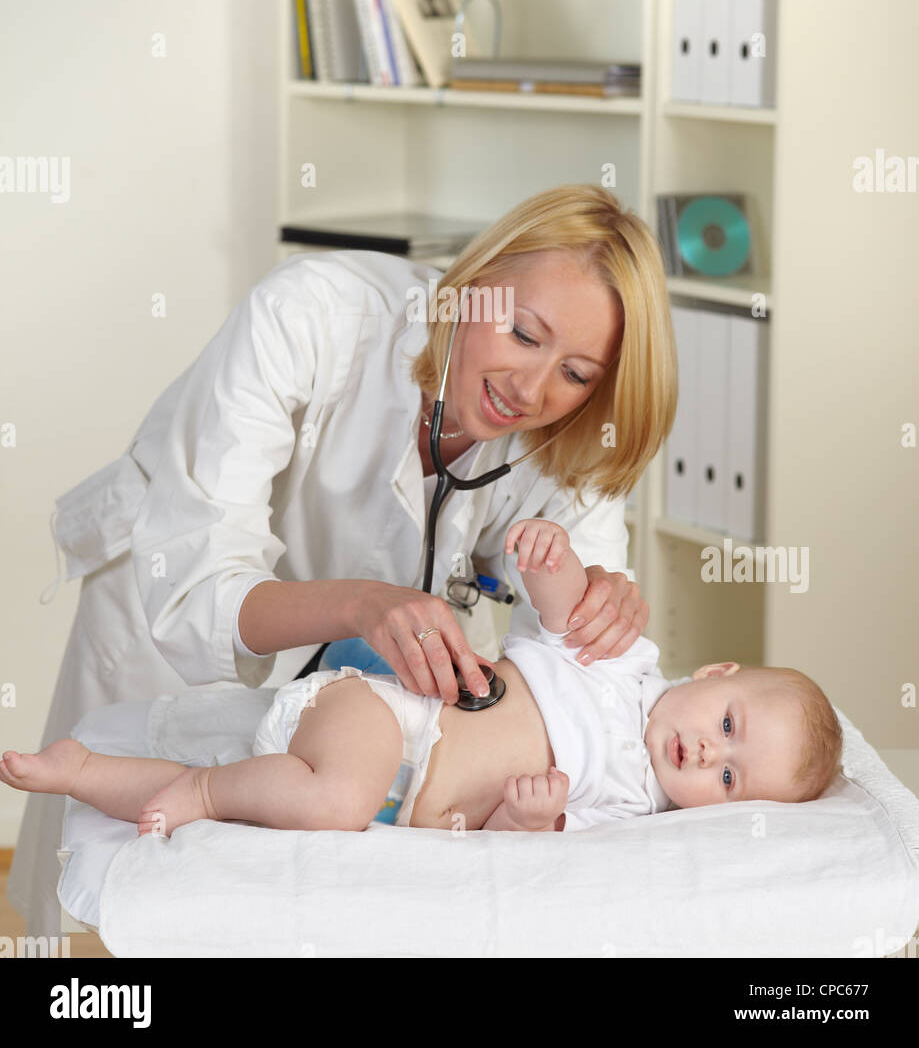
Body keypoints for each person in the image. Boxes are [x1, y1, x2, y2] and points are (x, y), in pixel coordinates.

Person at [10, 184, 679, 931]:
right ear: (474, 280)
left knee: (283, 902)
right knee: (110, 876)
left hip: (366, 692)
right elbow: (201, 591)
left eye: (578, 373)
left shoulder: (577, 437)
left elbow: (571, 645)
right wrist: (362, 603)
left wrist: (598, 601)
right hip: (172, 590)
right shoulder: (315, 313)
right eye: (522, 334)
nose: (531, 390)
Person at [1, 518, 843, 833]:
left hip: (396, 805)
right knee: (316, 798)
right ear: (716, 670)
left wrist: (527, 819)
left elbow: (536, 849)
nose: (704, 754)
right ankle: (204, 795)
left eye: (730, 780)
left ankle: (87, 773)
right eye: (726, 725)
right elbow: (559, 607)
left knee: (305, 802)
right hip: (393, 718)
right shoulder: (623, 662)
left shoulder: (632, 811)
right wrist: (554, 560)